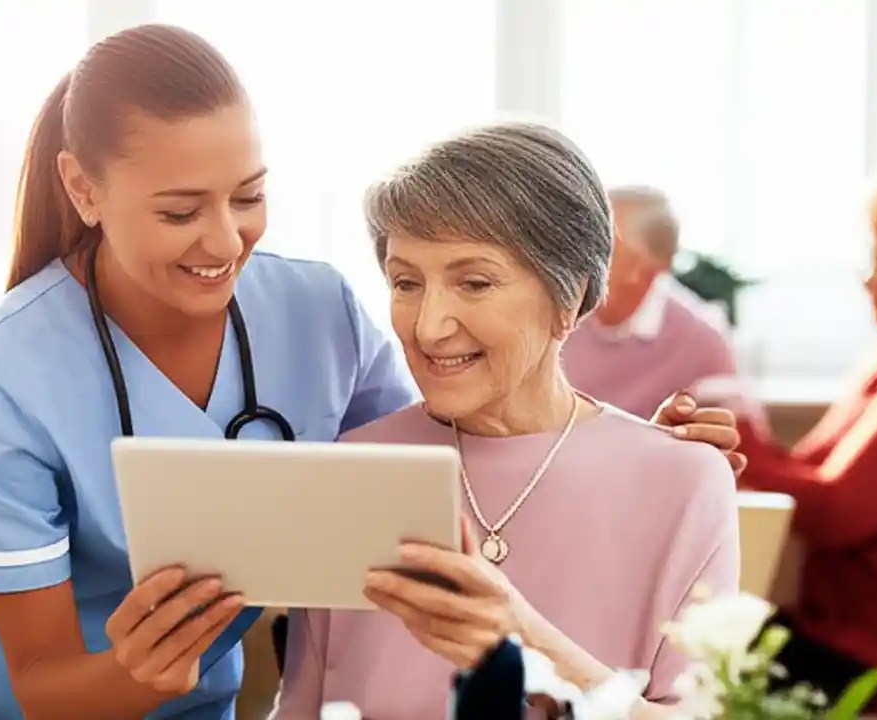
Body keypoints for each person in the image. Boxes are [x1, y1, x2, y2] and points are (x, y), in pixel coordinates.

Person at [0, 24, 745, 720]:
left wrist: (652, 455)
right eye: (178, 210)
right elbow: (43, 680)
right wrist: (144, 669)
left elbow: (451, 430)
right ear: (83, 190)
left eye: (248, 196)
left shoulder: (314, 310)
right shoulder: (6, 370)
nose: (226, 241)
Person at [271, 124, 740, 719]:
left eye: (474, 282)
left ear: (568, 299)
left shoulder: (683, 479)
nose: (428, 325)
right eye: (406, 282)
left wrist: (524, 638)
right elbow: (300, 710)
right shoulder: (354, 468)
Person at [735, 175, 877, 713]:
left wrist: (740, 443)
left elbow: (837, 511)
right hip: (838, 629)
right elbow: (807, 469)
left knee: (699, 669)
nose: (868, 283)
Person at [563, 185, 756, 421]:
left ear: (651, 266)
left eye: (604, 246)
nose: (583, 255)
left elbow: (734, 442)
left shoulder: (703, 341)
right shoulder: (557, 313)